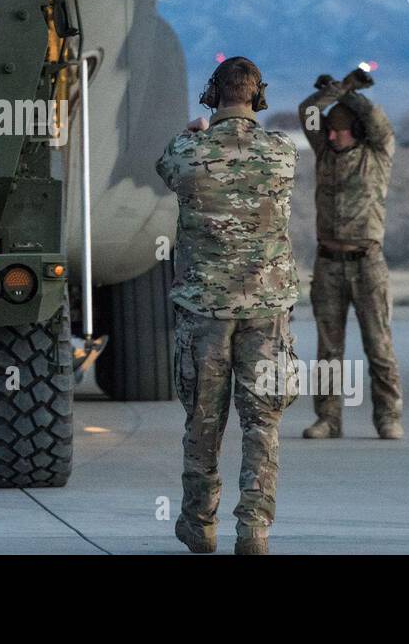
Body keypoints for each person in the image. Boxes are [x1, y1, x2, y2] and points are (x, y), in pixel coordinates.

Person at [156, 56, 301, 555]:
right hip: (267, 310)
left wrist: (194, 132)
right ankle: (254, 530)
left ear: (212, 95)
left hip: (205, 311)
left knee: (203, 419)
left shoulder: (188, 152)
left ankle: (200, 525)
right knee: (263, 423)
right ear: (258, 97)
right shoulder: (281, 152)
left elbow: (166, 168)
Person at [296, 68, 403, 441]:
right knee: (329, 349)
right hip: (329, 264)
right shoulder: (324, 153)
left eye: (339, 129)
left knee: (379, 345)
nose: (331, 134)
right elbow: (307, 112)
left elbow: (376, 120)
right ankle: (328, 418)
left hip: (367, 262)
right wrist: (332, 92)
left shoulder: (377, 154)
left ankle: (388, 416)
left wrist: (349, 94)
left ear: (355, 132)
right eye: (330, 129)